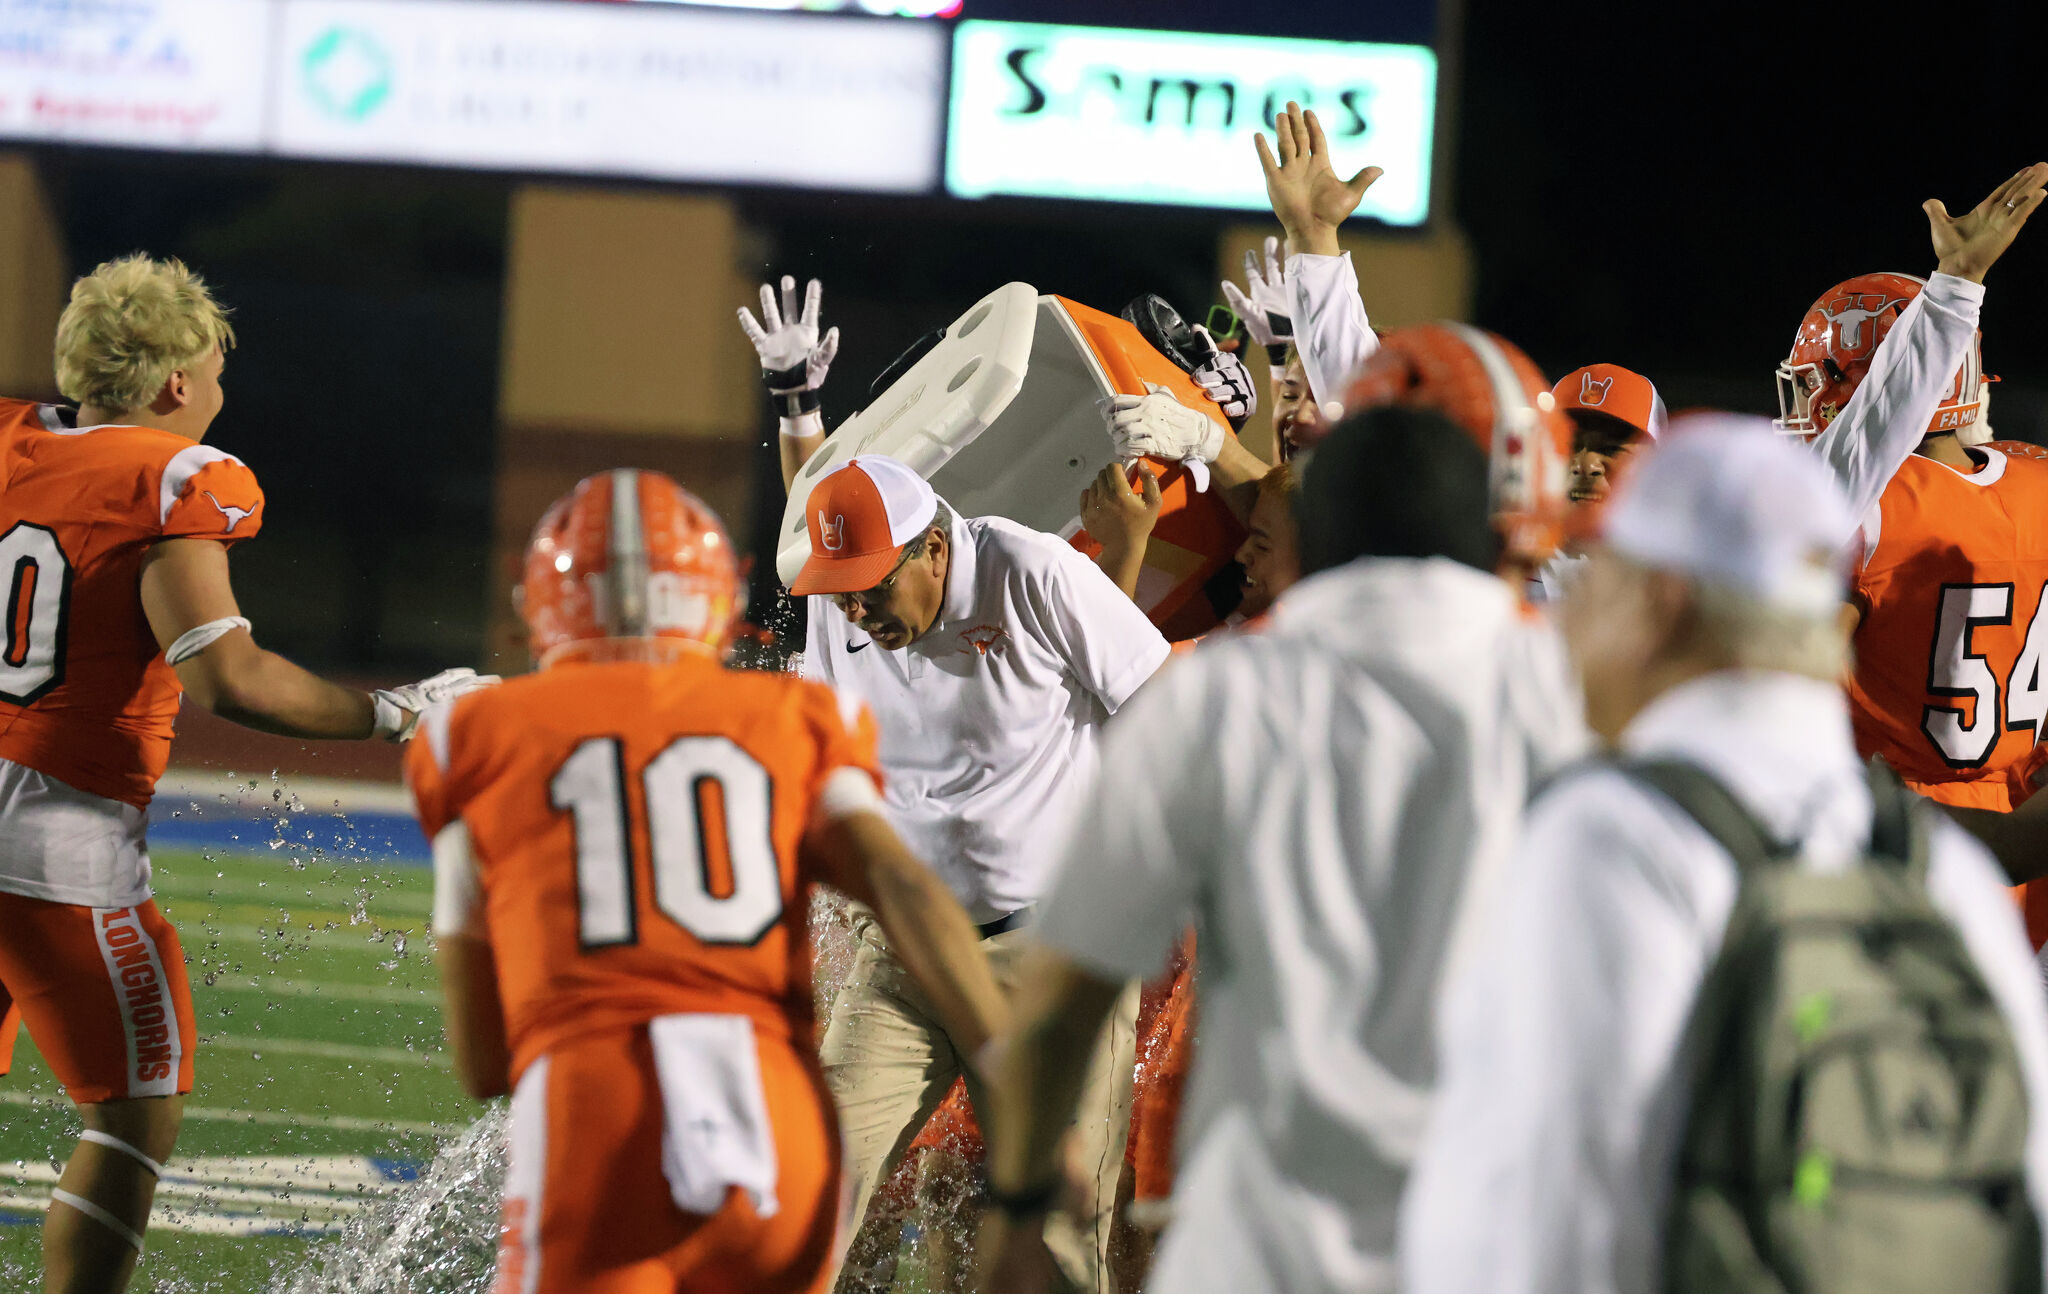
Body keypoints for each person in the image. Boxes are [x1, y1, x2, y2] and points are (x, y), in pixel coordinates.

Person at [1401, 417, 2048, 1294]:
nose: (1574, 601)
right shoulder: (1943, 871)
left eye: (1600, 570)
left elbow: (1536, 1215)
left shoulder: (1616, 836)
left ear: (1662, 601)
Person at [978, 402, 1587, 1294]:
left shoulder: (1226, 694)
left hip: (1262, 1198)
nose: (1244, 552)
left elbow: (1067, 985)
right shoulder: (1577, 696)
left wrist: (1025, 1196)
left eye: (1268, 534)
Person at [0, 254, 493, 1294]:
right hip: (57, 839)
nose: (223, 390)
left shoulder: (14, 438)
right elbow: (231, 678)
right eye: (217, 368)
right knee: (136, 1110)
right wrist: (394, 713)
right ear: (177, 381)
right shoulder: (174, 478)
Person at [408, 469, 1007, 1294]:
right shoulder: (794, 722)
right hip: (770, 1134)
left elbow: (484, 1063)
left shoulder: (472, 740)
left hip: (595, 1129)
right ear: (720, 596)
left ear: (537, 602)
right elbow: (907, 894)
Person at [789, 453, 1172, 1294]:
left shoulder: (1031, 571)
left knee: (1066, 1239)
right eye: (840, 589)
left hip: (1048, 958)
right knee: (807, 1197)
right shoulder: (840, 604)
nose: (855, 609)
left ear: (934, 549)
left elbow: (1164, 707)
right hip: (908, 955)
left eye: (871, 587)